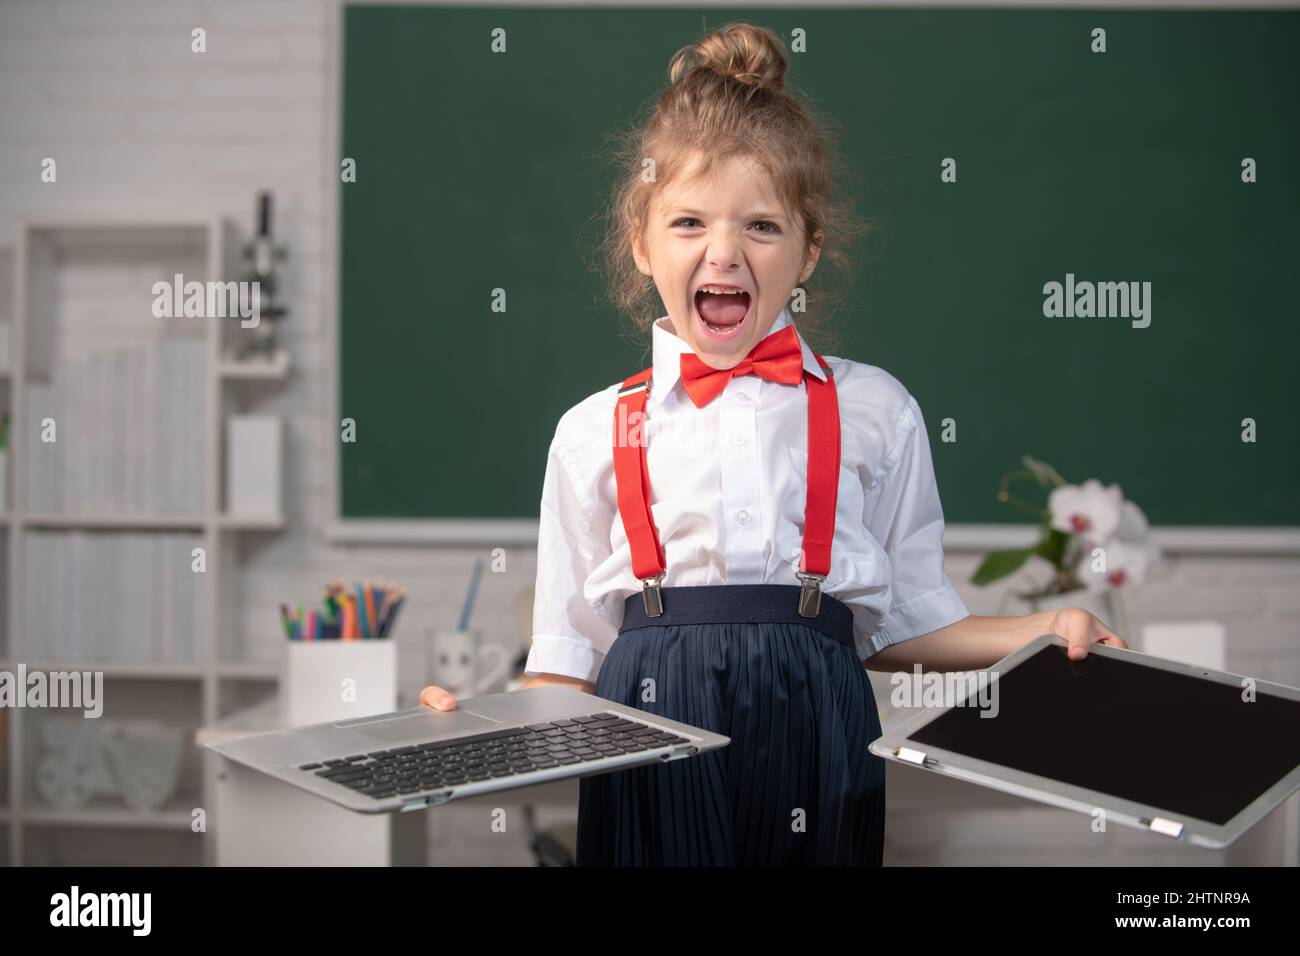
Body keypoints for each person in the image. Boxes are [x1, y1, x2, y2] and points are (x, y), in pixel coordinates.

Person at [420, 21, 1125, 865]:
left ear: (808, 252)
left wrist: (1044, 627)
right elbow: (566, 668)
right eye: (688, 223)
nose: (723, 251)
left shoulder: (878, 409)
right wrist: (474, 731)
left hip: (822, 714)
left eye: (761, 226)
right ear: (642, 243)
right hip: (647, 717)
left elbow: (900, 629)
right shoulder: (588, 433)